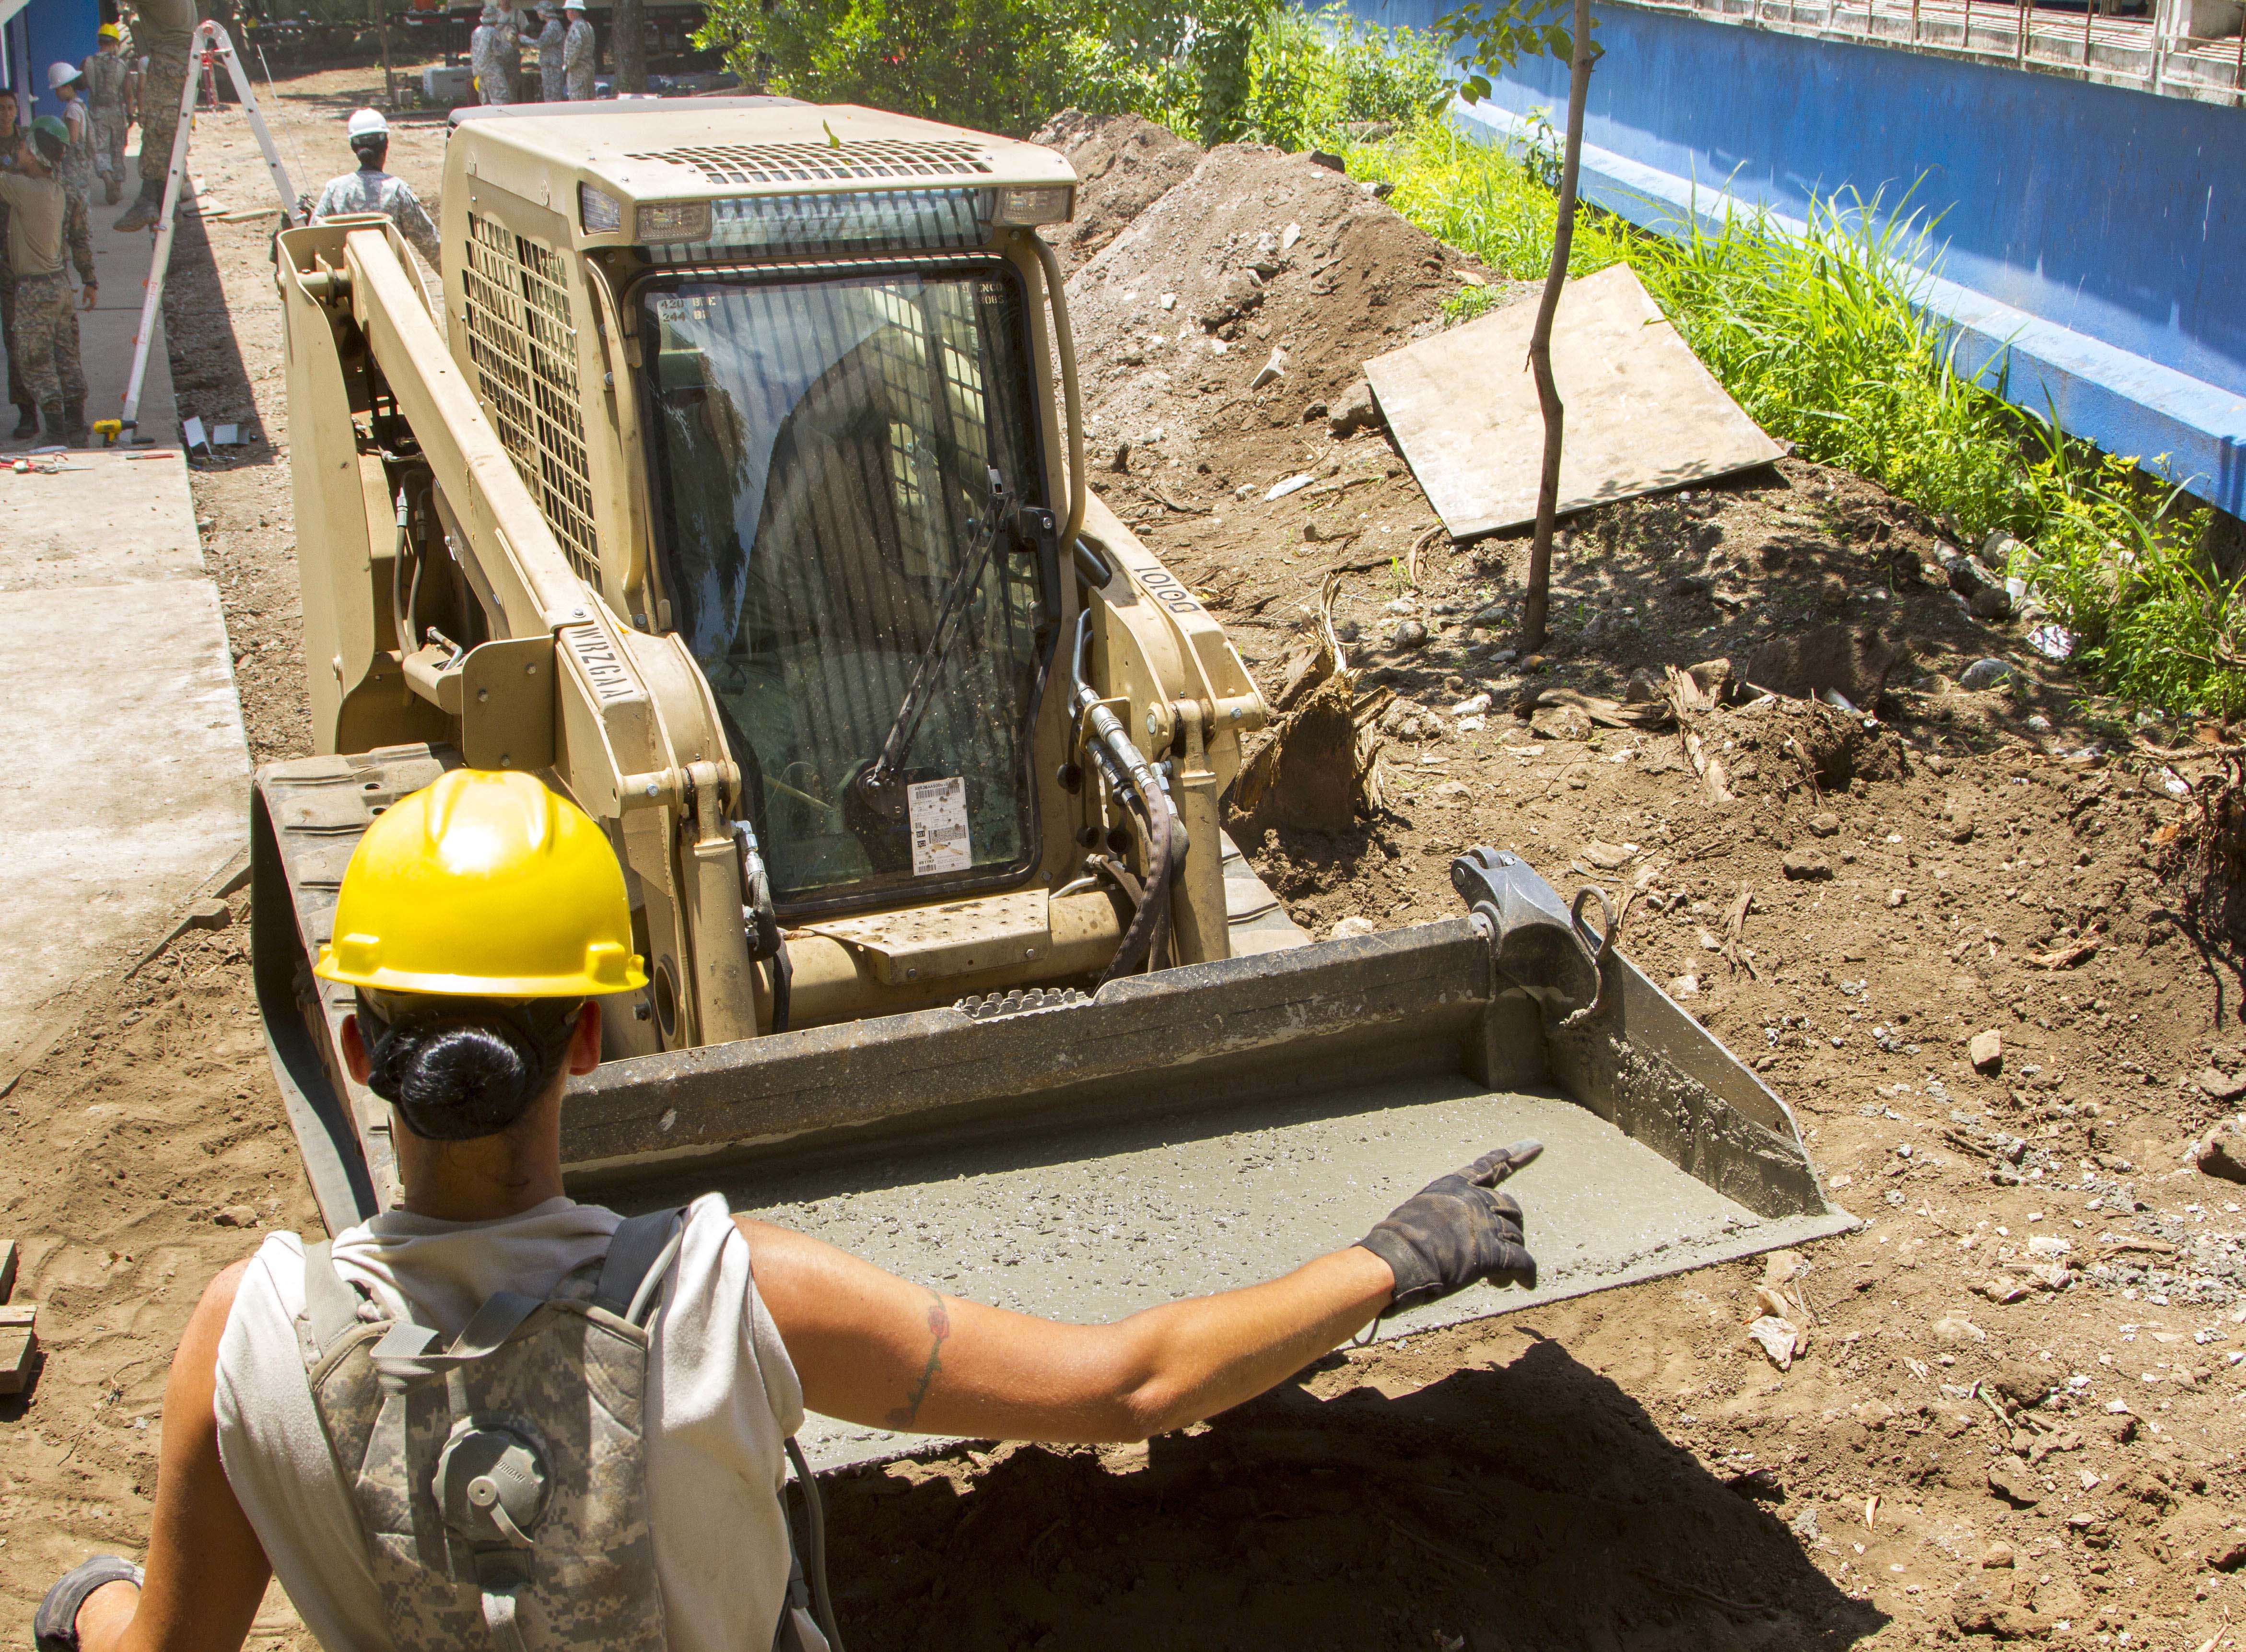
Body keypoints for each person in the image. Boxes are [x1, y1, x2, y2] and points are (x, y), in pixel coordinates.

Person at [31, 768, 1541, 1651]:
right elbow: (1122, 1380)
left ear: (363, 1055)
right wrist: (1391, 1255)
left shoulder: (244, 1334)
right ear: (587, 1037)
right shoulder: (729, 1293)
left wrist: (88, 1602)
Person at [0, 117, 94, 445]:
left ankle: (54, 432)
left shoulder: (24, 189)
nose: (19, 151)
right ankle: (77, 426)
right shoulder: (57, 190)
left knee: (35, 361)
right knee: (66, 357)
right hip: (59, 286)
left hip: (34, 290)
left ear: (35, 156)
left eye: (24, 148)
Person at [311, 107, 439, 269]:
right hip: (391, 286)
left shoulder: (335, 190)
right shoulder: (397, 191)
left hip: (344, 286)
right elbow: (430, 243)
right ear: (386, 145)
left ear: (354, 147)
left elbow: (312, 236)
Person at [117, 0, 191, 233]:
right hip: (175, 61)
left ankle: (150, 201)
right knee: (166, 133)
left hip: (169, 63)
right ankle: (161, 200)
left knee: (156, 130)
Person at [0, 94, 34, 438]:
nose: (6, 114)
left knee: (23, 335)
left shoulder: (27, 145)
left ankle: (32, 412)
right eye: (0, 108)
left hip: (20, 252)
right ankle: (27, 411)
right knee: (13, 336)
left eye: (10, 107)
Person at [81, 25, 129, 208]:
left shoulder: (87, 62)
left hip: (97, 113)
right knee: (118, 149)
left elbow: (83, 83)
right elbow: (128, 93)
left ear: (99, 42)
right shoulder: (122, 65)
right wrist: (131, 113)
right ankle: (117, 187)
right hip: (117, 113)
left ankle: (108, 178)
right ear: (116, 43)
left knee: (100, 149)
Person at [45, 64, 96, 204]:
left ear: (67, 87)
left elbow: (72, 138)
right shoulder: (80, 105)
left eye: (57, 90)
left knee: (75, 202)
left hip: (75, 165)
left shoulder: (73, 110)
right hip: (82, 164)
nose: (56, 94)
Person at [471, 2, 515, 105]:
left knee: (485, 100)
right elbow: (498, 52)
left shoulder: (477, 31)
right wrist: (510, 43)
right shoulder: (493, 32)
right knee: (500, 98)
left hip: (479, 70)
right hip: (492, 71)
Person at [563, 0, 595, 101]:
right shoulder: (588, 26)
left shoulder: (575, 27)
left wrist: (568, 64)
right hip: (588, 70)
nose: (567, 13)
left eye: (568, 10)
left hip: (578, 73)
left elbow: (574, 49)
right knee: (589, 103)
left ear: (573, 11)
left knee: (578, 104)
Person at [535, 0, 566, 102]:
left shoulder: (552, 26)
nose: (538, 13)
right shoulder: (552, 25)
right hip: (551, 65)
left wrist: (523, 39)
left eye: (539, 11)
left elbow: (540, 43)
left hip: (552, 67)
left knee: (552, 98)